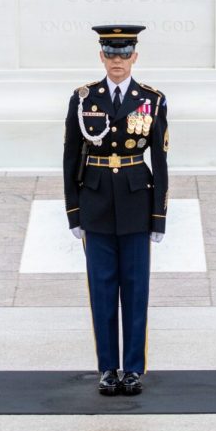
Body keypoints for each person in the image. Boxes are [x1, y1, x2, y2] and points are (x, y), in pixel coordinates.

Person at [62, 24, 170, 397]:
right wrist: (74, 212)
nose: (118, 61)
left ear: (135, 57)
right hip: (95, 203)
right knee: (103, 289)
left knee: (136, 289)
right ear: (101, 56)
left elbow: (160, 159)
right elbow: (70, 157)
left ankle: (133, 369)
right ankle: (108, 367)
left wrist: (159, 216)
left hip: (136, 201)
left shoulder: (151, 100)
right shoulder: (83, 98)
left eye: (124, 54)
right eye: (111, 53)